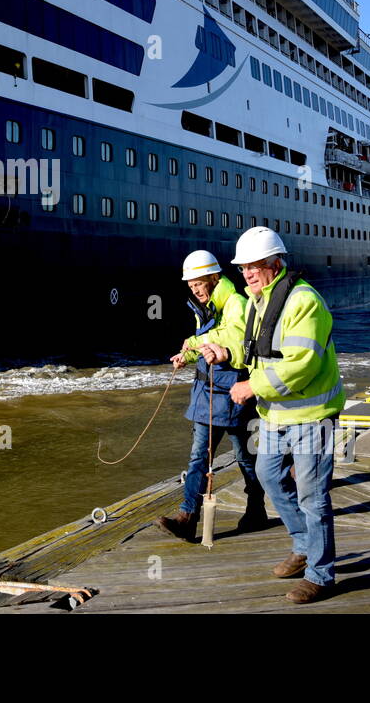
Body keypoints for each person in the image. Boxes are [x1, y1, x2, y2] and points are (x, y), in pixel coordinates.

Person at [201, 226, 342, 604]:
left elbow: (302, 364)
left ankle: (322, 574)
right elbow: (251, 349)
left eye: (253, 266)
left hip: (313, 415)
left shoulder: (303, 301)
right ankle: (303, 546)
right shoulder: (259, 301)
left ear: (275, 263)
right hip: (277, 414)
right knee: (268, 475)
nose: (246, 274)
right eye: (243, 268)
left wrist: (252, 387)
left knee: (314, 496)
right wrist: (222, 352)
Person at [155, 251, 267, 540]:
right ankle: (187, 517)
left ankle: (256, 510)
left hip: (235, 395)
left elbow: (235, 341)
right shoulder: (204, 307)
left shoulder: (236, 304)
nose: (194, 290)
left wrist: (193, 343)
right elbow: (209, 347)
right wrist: (187, 356)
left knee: (246, 459)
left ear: (214, 278)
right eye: (190, 285)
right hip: (207, 395)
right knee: (197, 459)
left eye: (198, 284)